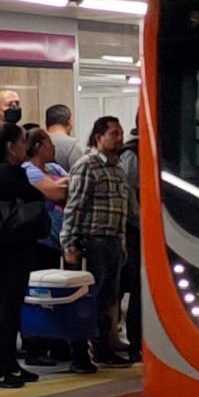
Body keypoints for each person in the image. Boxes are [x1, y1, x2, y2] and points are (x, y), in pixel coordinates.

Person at [61, 116, 133, 368]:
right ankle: (79, 354)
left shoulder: (118, 169)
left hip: (112, 242)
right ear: (98, 137)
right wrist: (69, 244)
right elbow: (75, 207)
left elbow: (122, 209)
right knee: (85, 300)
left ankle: (103, 348)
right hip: (92, 242)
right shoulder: (87, 166)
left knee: (107, 299)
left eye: (120, 133)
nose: (119, 138)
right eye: (114, 133)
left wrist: (121, 243)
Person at [0, 122, 41, 388]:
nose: (24, 148)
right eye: (21, 142)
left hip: (5, 246)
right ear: (10, 146)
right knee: (9, 307)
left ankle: (10, 365)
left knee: (10, 306)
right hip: (11, 248)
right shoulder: (8, 172)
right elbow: (34, 195)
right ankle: (1, 369)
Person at [21, 129, 84, 372]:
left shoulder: (55, 169)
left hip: (59, 239)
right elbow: (58, 192)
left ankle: (56, 342)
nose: (53, 147)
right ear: (37, 146)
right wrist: (62, 185)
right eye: (48, 142)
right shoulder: (29, 170)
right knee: (37, 293)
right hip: (39, 239)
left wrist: (62, 183)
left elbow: (74, 186)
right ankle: (35, 346)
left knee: (57, 293)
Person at [117, 125, 144, 363]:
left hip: (140, 232)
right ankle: (136, 342)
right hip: (134, 234)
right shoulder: (132, 155)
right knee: (136, 288)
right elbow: (129, 196)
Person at [44, 104, 82, 172]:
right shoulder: (73, 145)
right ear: (69, 122)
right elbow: (79, 176)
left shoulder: (36, 141)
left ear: (46, 122)